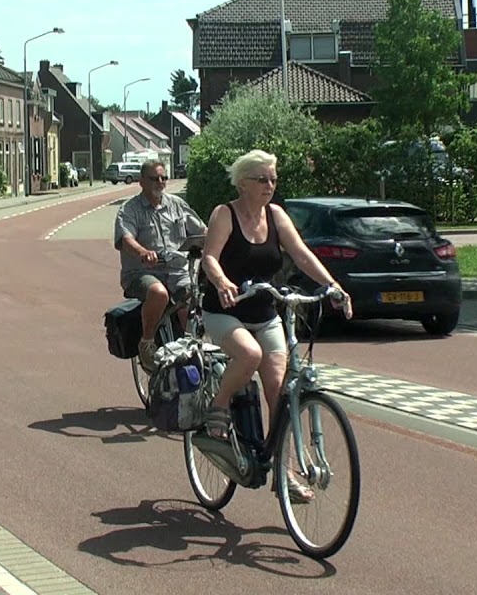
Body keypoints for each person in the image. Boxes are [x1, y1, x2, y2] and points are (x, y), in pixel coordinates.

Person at [198, 149, 353, 502]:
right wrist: (222, 282)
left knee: (278, 393)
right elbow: (209, 256)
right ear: (243, 183)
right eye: (262, 179)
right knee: (249, 355)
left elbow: (301, 254)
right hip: (226, 311)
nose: (270, 185)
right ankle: (219, 406)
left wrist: (333, 287)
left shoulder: (276, 215)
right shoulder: (225, 214)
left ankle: (283, 475)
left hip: (265, 312)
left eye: (273, 179)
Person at [114, 159, 207, 373]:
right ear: (141, 182)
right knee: (158, 293)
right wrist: (143, 252)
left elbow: (202, 230)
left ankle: (190, 347)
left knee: (193, 295)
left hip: (176, 270)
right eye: (154, 178)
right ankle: (146, 342)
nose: (160, 182)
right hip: (142, 272)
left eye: (163, 178)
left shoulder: (176, 204)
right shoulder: (130, 209)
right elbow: (126, 238)